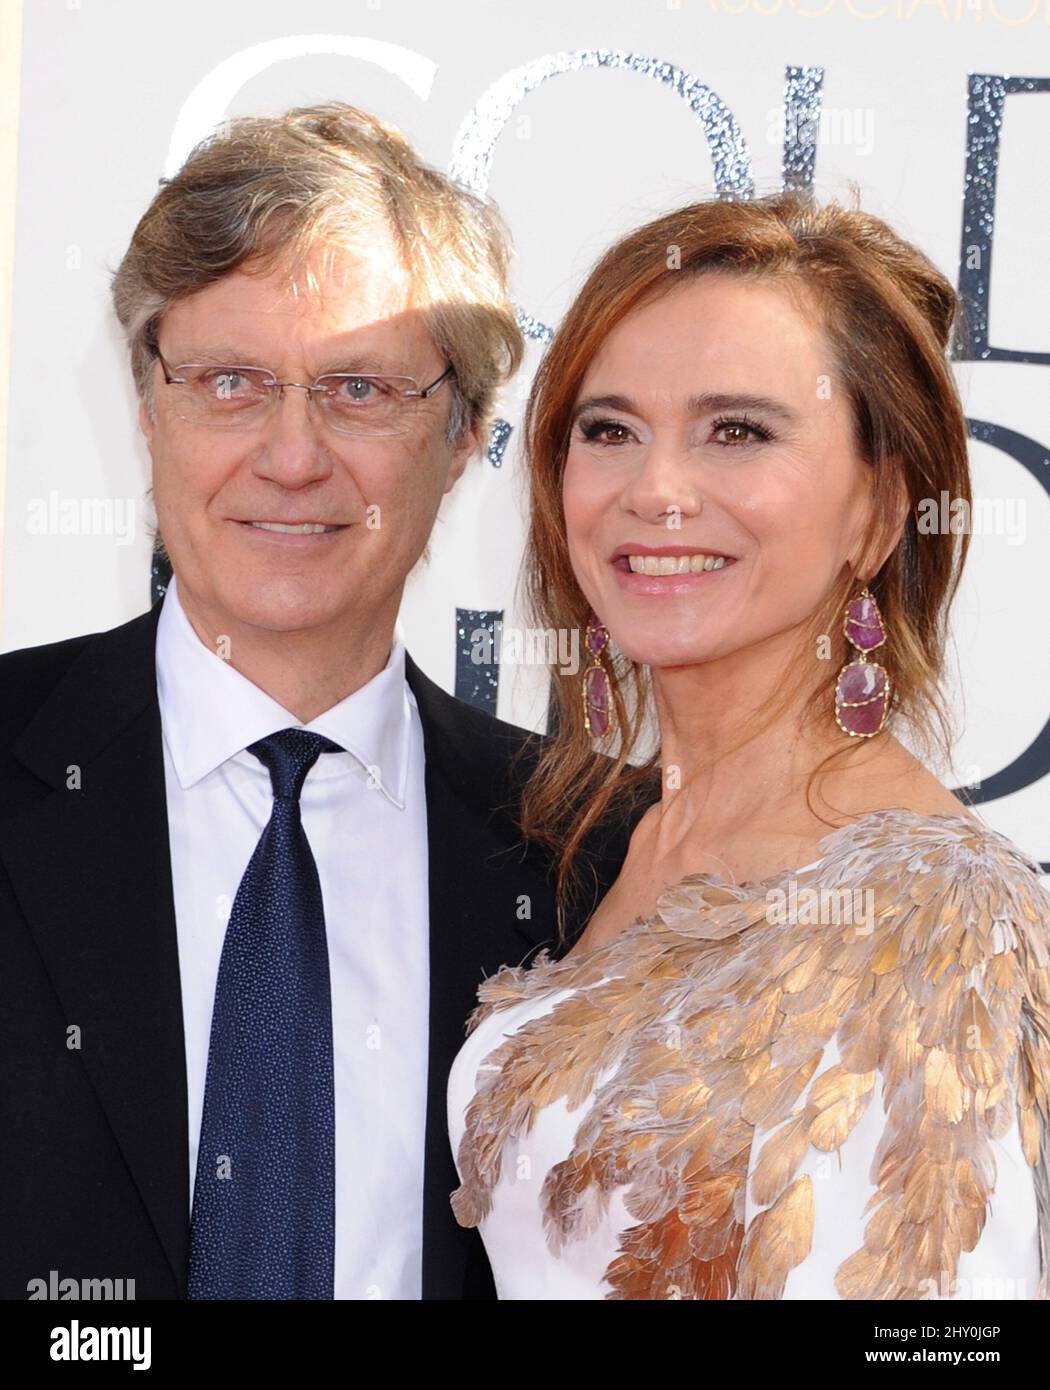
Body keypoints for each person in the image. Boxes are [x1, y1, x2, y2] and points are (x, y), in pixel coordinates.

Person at [0, 101, 642, 1301]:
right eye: (230, 381)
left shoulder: (600, 857)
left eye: (358, 389)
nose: (291, 457)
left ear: (463, 439)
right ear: (147, 408)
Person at [447, 189, 1050, 1299]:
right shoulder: (621, 842)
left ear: (877, 510)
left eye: (738, 432)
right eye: (609, 429)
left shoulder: (937, 923)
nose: (656, 490)